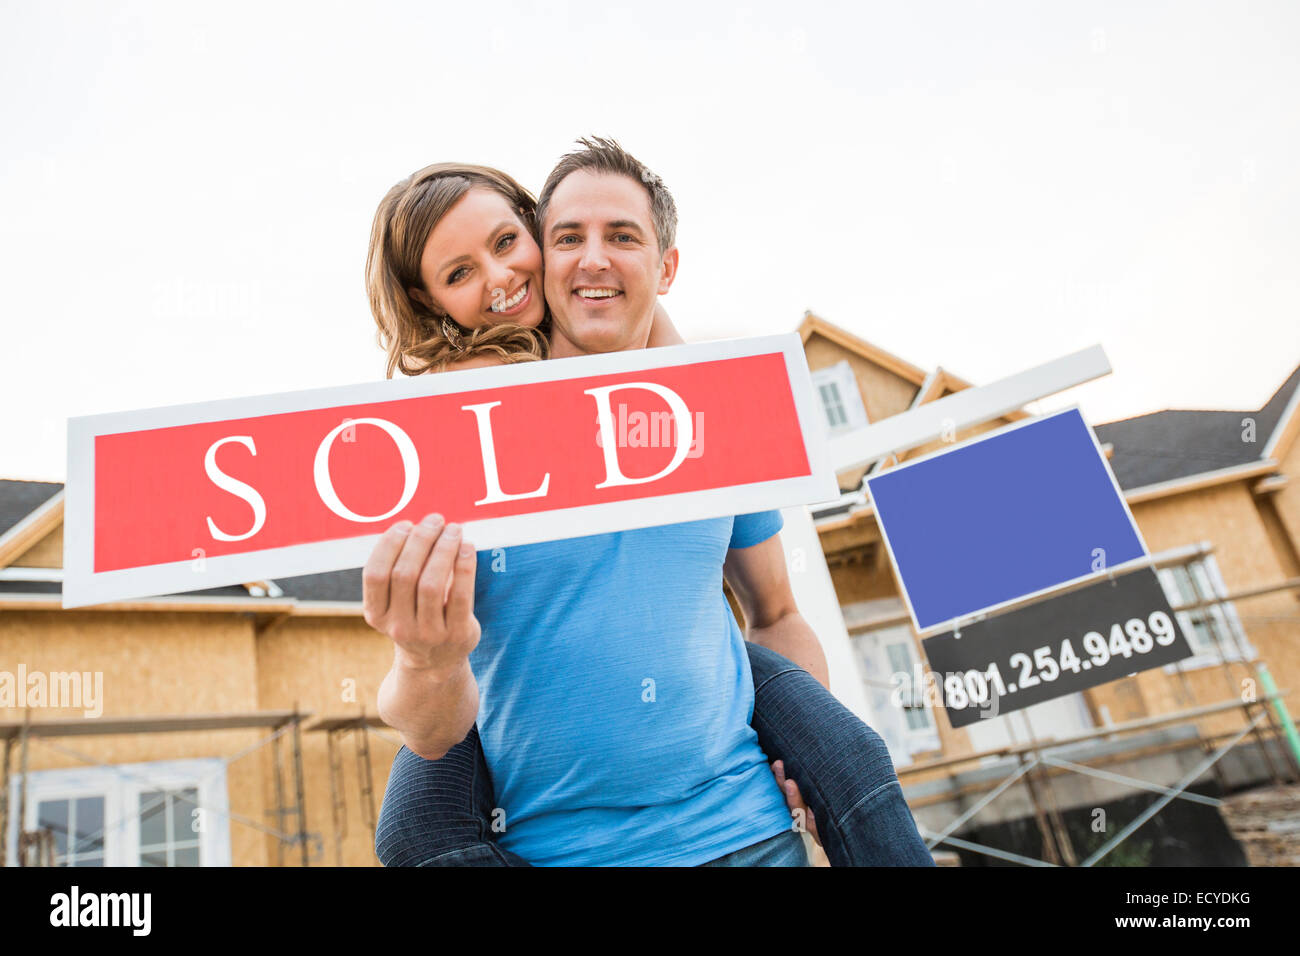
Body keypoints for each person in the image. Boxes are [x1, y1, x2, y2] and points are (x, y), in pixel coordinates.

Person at [365, 138, 935, 866]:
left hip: (752, 837)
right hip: (553, 846)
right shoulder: (442, 437)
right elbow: (429, 723)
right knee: (412, 835)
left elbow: (778, 613)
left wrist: (806, 767)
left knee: (855, 757)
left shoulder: (706, 412)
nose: (504, 276)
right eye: (570, 238)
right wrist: (425, 663)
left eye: (509, 243)